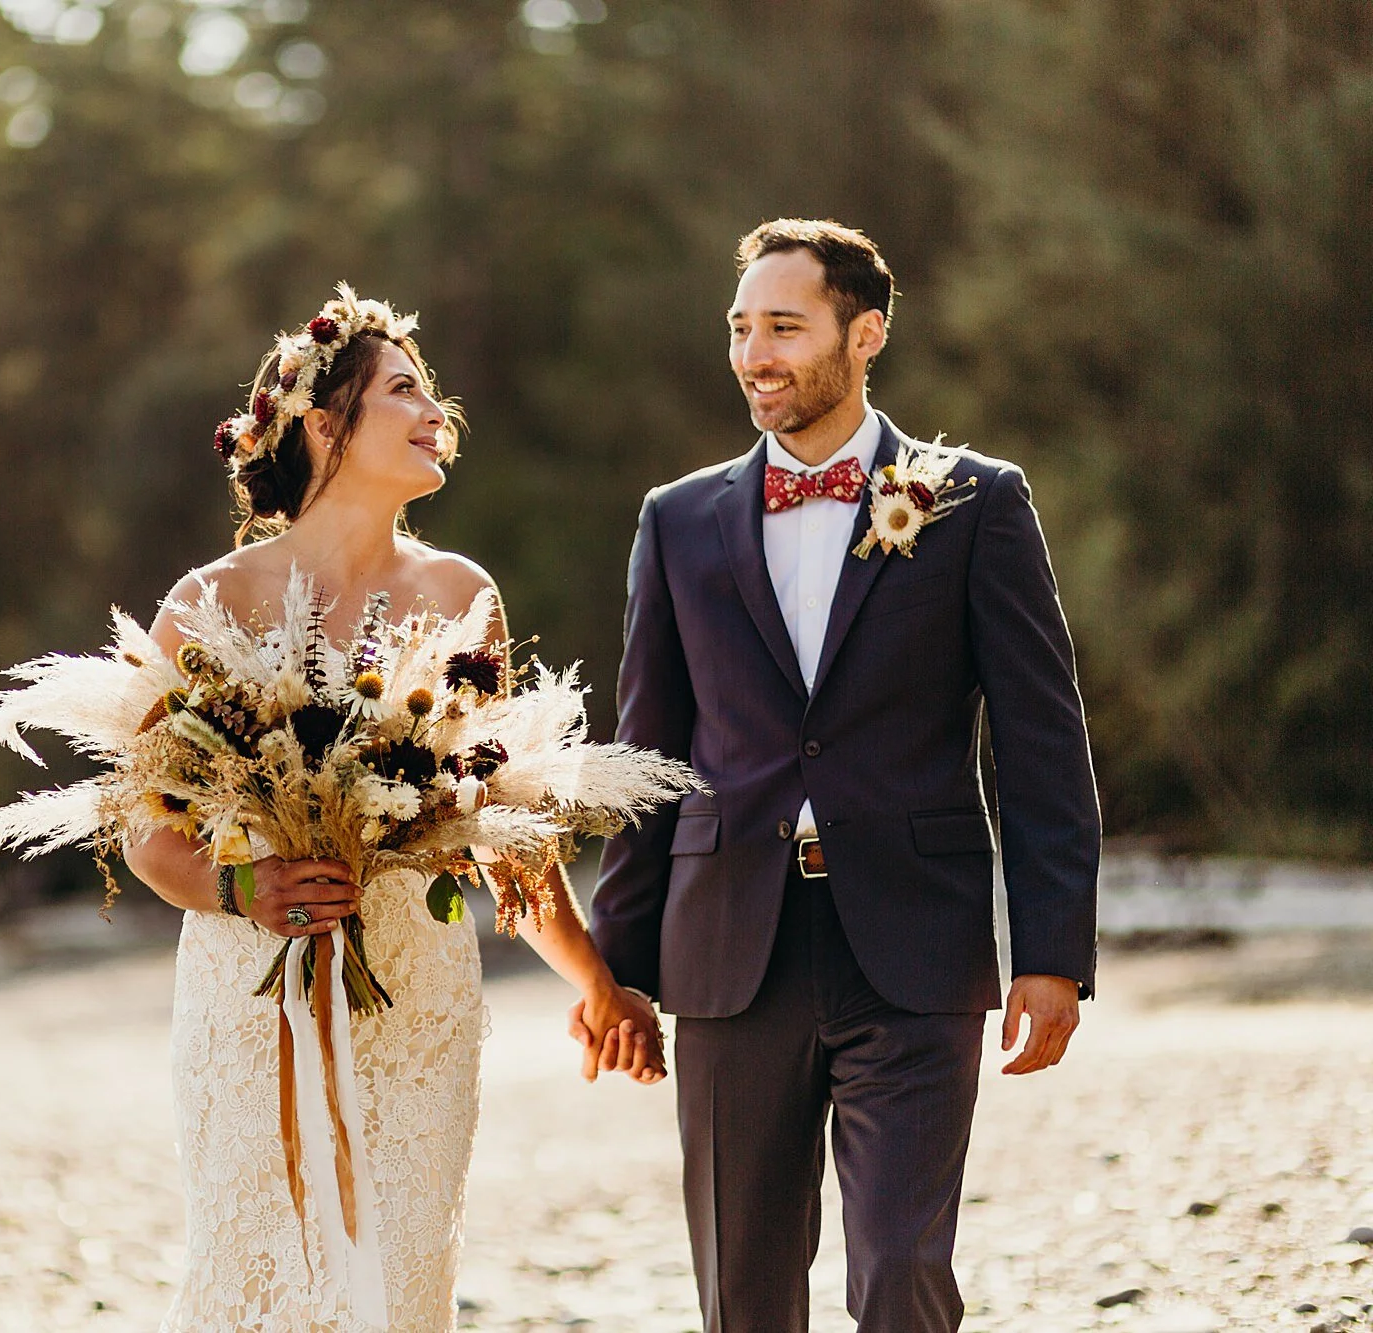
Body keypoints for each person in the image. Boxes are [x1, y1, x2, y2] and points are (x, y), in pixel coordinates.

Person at [578, 220, 1101, 1331]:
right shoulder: (677, 521)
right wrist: (616, 967)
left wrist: (1050, 953)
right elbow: (646, 755)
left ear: (863, 334)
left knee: (902, 1272)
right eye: (738, 328)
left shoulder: (974, 501)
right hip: (727, 951)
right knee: (742, 1290)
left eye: (782, 326)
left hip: (913, 944)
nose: (752, 354)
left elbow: (1040, 739)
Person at [122, 286, 663, 1333]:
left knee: (404, 1282)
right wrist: (243, 883)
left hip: (416, 986)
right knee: (256, 1274)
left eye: (434, 395)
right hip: (253, 990)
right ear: (323, 424)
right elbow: (150, 835)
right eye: (405, 390)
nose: (436, 414)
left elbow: (507, 830)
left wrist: (598, 984)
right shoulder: (206, 603)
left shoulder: (463, 593)